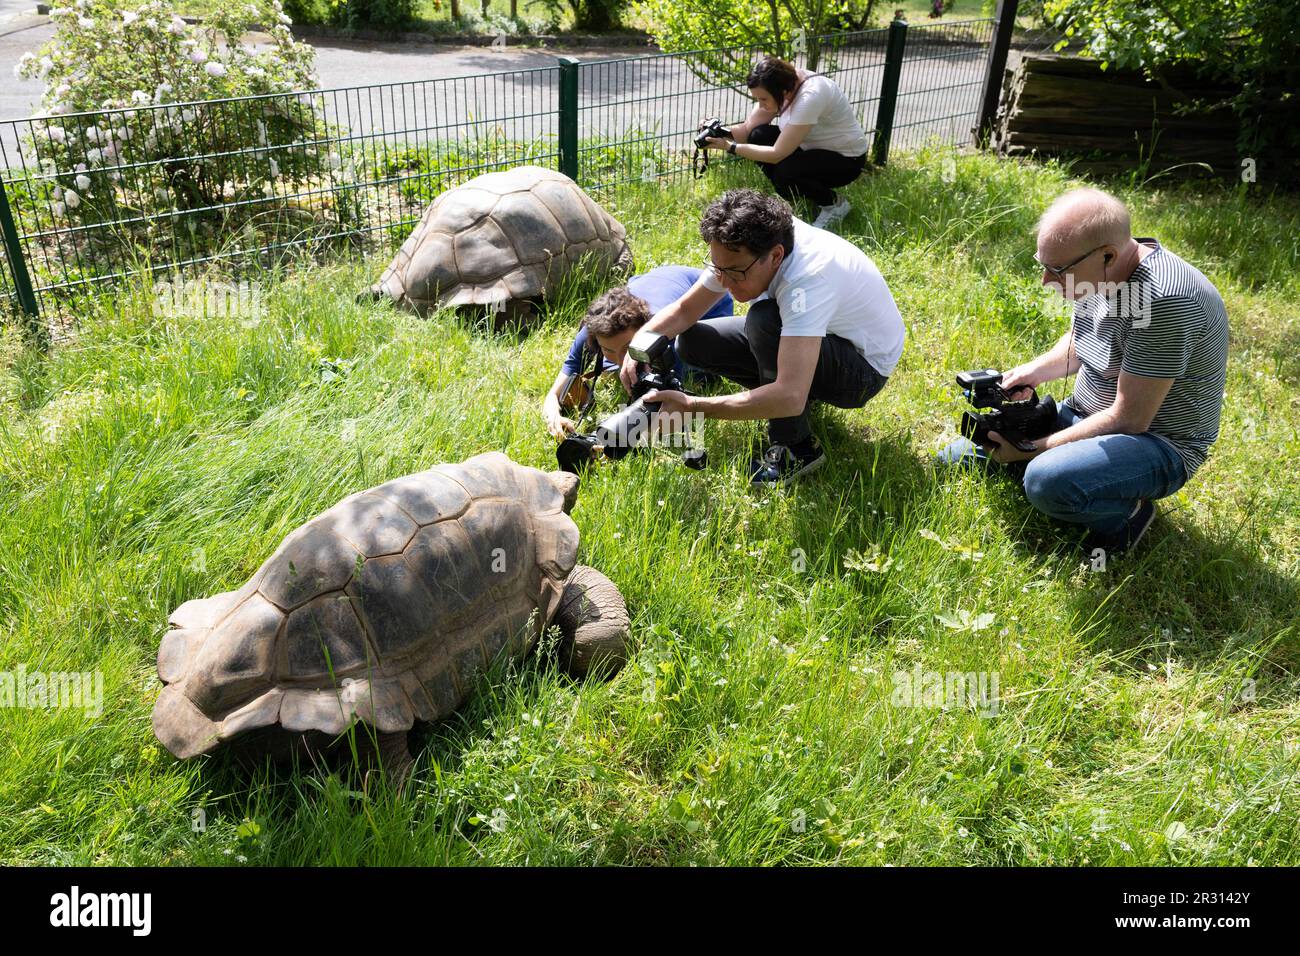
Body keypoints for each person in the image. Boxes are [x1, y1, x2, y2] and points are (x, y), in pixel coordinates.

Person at [936, 187, 1230, 559]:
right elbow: (1082, 342)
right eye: (1042, 265)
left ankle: (1127, 516)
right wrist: (1032, 372)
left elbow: (1131, 419)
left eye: (1056, 270)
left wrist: (1031, 450)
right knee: (955, 457)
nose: (1046, 281)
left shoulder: (1165, 301)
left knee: (1045, 481)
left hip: (1157, 445)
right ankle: (1062, 467)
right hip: (1083, 415)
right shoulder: (1106, 268)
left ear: (1108, 254)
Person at [631, 188, 905, 486]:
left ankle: (797, 449)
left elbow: (789, 396)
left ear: (775, 256)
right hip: (821, 341)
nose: (722, 281)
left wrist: (694, 407)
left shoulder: (808, 278)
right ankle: (795, 394)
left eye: (734, 272)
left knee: (764, 321)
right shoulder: (745, 245)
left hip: (863, 371)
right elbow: (685, 310)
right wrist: (637, 346)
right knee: (693, 341)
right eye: (716, 267)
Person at [542, 265, 733, 439]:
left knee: (695, 367)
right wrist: (553, 417)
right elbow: (554, 393)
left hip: (709, 299)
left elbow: (668, 411)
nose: (619, 359)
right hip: (649, 282)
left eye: (627, 348)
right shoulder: (593, 331)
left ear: (645, 332)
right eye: (608, 350)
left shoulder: (665, 339)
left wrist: (612, 440)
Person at [697, 55, 870, 230]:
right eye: (757, 99)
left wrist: (729, 147)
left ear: (783, 92)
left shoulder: (810, 96)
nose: (761, 105)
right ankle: (795, 195)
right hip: (810, 150)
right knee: (759, 135)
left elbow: (777, 154)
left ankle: (834, 205)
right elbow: (746, 132)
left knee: (785, 171)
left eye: (763, 99)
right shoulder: (782, 86)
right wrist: (719, 131)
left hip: (847, 160)